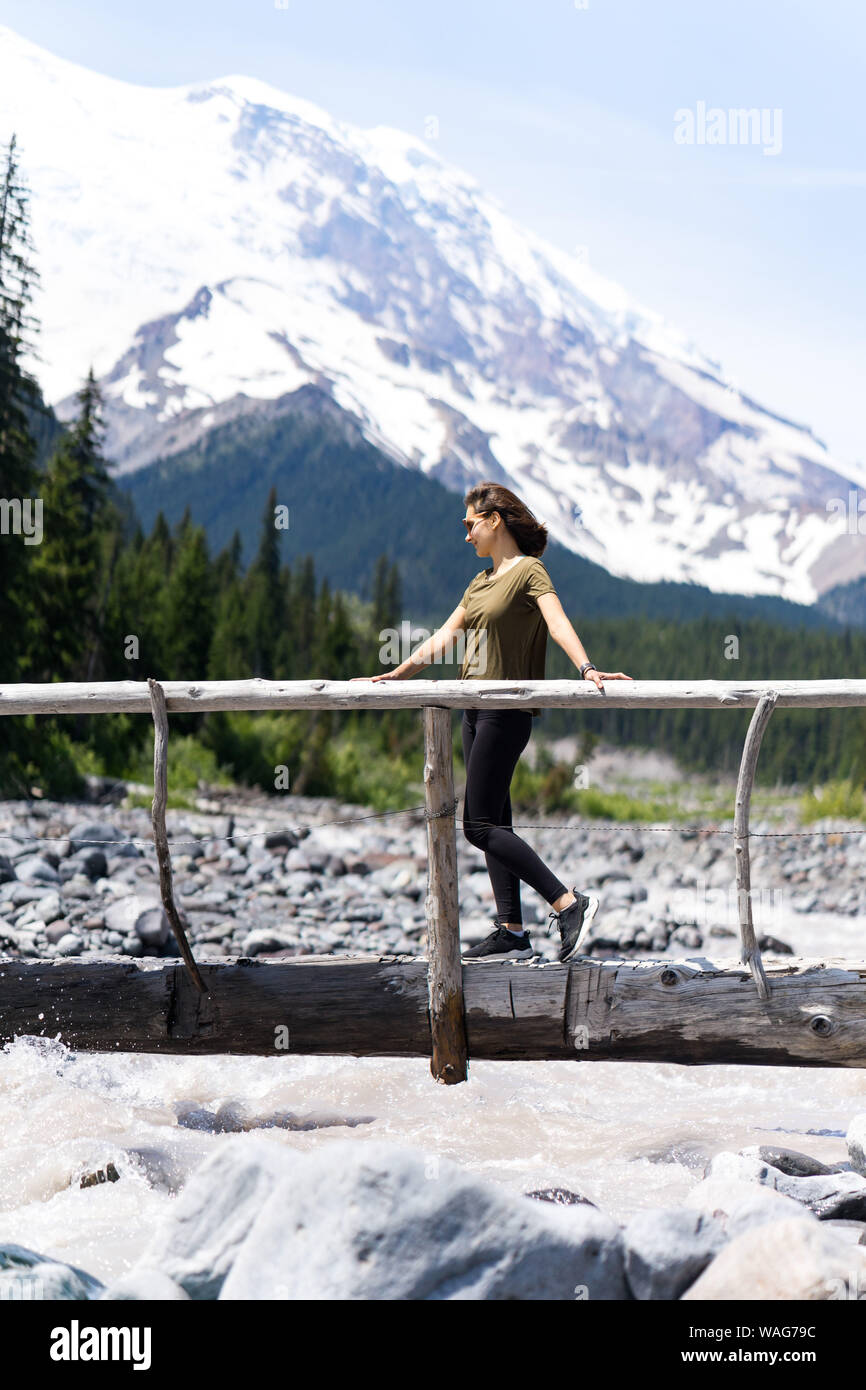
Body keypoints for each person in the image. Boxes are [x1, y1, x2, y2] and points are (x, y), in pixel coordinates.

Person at [351, 481, 632, 963]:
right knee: (496, 817)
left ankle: (568, 903)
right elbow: (444, 636)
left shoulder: (529, 572)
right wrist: (397, 674)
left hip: (508, 709)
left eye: (470, 524)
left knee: (477, 825)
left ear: (494, 519)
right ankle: (512, 930)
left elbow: (557, 621)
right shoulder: (480, 582)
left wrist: (587, 668)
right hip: (473, 709)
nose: (466, 535)